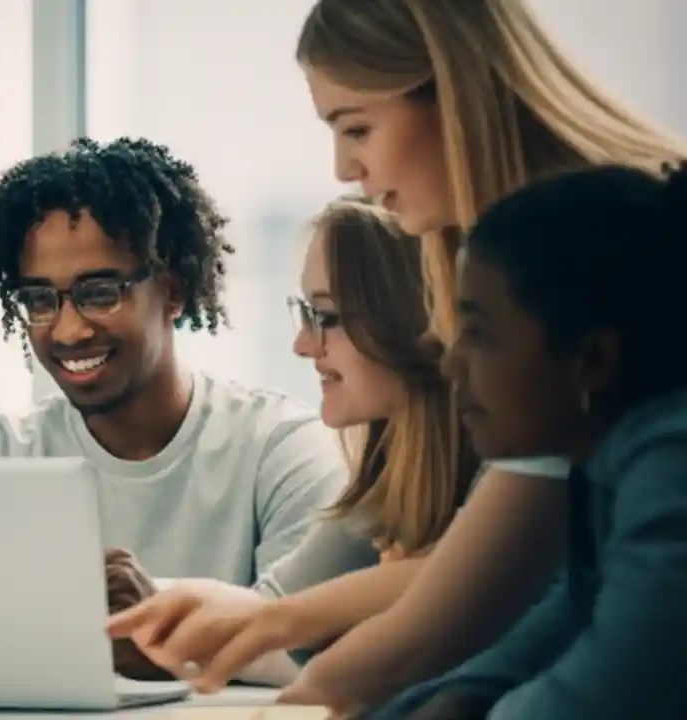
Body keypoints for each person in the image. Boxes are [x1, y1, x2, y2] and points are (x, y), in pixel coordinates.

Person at [109, 0, 686, 707]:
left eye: (357, 128)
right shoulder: (524, 253)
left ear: (454, 89)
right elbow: (530, 583)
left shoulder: (634, 250)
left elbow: (525, 585)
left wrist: (300, 667)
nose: (344, 167)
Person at [0, 137, 348, 678]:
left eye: (100, 292)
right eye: (40, 300)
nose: (68, 329)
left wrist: (150, 631)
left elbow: (307, 650)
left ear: (173, 289)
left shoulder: (280, 449)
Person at [107, 198, 476, 688]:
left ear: (410, 314)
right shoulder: (382, 488)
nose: (303, 344)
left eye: (324, 315)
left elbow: (283, 623)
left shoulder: (508, 476)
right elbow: (274, 609)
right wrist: (148, 608)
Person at [396, 164, 687, 719]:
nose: (452, 363)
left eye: (478, 334)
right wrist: (456, 700)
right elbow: (572, 613)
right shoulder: (604, 466)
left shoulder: (672, 468)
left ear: (593, 361)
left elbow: (605, 695)